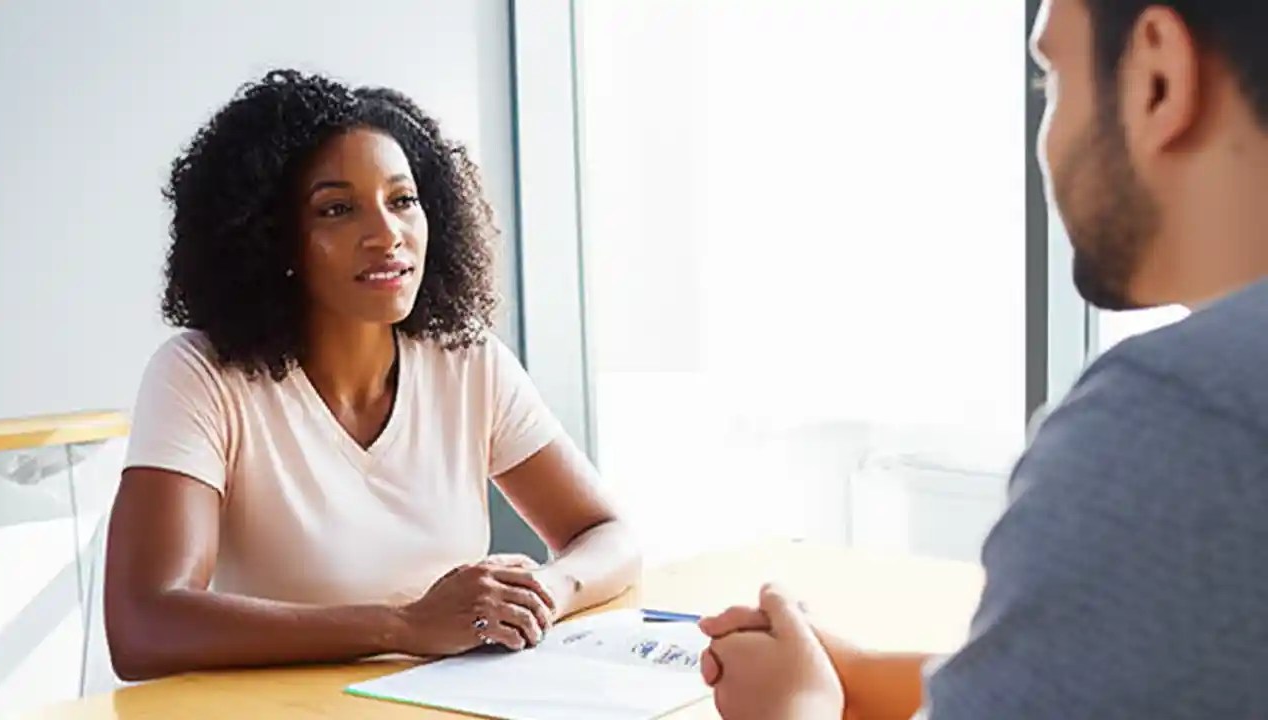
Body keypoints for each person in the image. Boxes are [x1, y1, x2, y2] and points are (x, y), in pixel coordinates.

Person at [700, 0, 1268, 717]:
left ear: (1158, 75)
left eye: (1050, 84)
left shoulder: (1178, 418)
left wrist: (796, 705)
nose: (1047, 136)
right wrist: (858, 670)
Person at [103, 70, 641, 681]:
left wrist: (546, 590)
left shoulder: (468, 361)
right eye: (337, 209)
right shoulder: (201, 376)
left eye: (402, 200)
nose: (387, 234)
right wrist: (406, 626)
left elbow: (608, 533)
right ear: (271, 240)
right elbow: (144, 624)